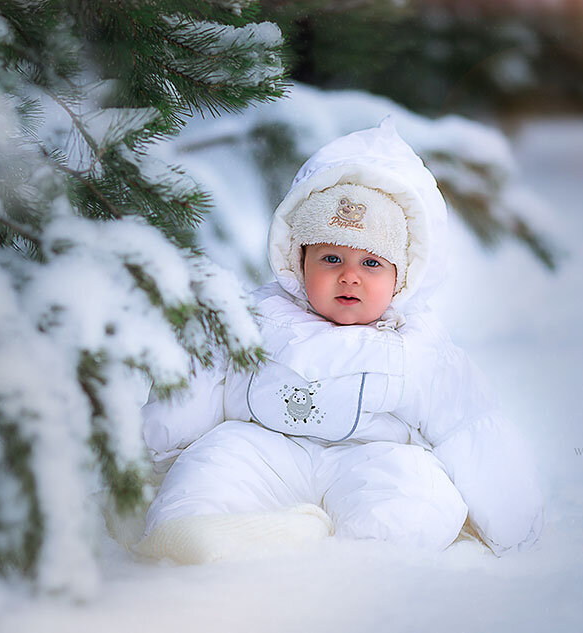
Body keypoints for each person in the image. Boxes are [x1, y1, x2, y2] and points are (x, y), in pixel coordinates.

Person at [137, 118, 543, 564]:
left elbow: (470, 423)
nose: (349, 275)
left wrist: (512, 520)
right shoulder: (255, 316)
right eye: (331, 257)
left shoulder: (419, 346)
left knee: (419, 496)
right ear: (299, 258)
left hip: (371, 459)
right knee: (209, 473)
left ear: (402, 276)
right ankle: (203, 539)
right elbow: (201, 382)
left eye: (371, 262)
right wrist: (147, 458)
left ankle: (344, 565)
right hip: (262, 449)